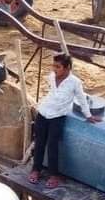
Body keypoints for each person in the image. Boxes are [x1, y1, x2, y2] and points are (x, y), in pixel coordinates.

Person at [29, 53, 100, 188]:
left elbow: (81, 99)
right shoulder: (51, 77)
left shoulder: (75, 82)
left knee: (53, 146)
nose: (54, 69)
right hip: (43, 113)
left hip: (57, 117)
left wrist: (88, 115)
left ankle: (53, 175)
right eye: (53, 66)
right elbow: (51, 94)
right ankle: (35, 170)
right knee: (39, 143)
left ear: (67, 68)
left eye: (58, 67)